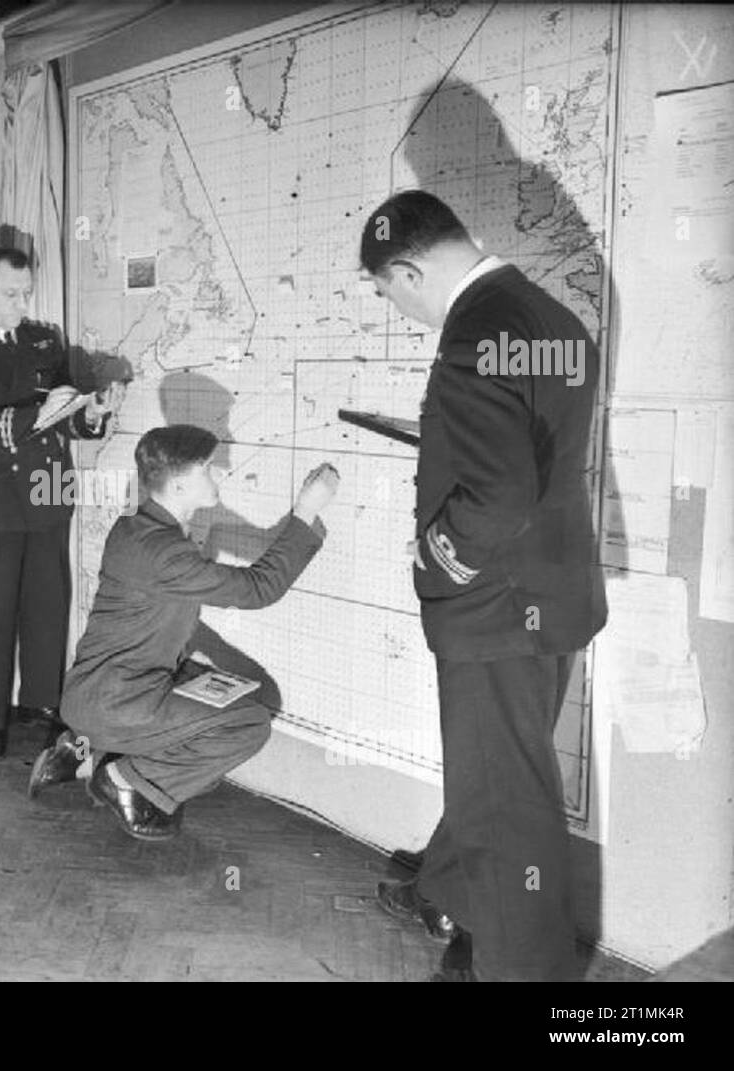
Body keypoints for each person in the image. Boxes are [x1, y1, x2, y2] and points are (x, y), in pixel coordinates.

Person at [358, 189, 606, 981]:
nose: (397, 308)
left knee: (509, 808)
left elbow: (496, 499)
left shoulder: (472, 336)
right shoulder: (554, 318)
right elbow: (534, 460)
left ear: (407, 268)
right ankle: (447, 890)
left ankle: (522, 969)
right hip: (554, 593)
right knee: (501, 770)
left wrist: (437, 556)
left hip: (494, 606)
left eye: (388, 292)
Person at [31, 425, 339, 840]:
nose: (217, 476)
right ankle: (125, 781)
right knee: (249, 724)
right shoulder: (165, 552)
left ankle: (80, 750)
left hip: (94, 693)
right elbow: (259, 589)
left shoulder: (135, 529)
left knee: (238, 693)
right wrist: (305, 511)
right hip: (117, 704)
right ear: (178, 485)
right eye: (207, 469)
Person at [0, 247, 123, 761]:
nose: (22, 303)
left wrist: (91, 415)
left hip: (49, 487)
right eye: (10, 293)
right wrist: (39, 414)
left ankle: (42, 704)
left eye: (26, 292)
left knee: (47, 606)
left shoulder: (44, 340)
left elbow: (67, 415)